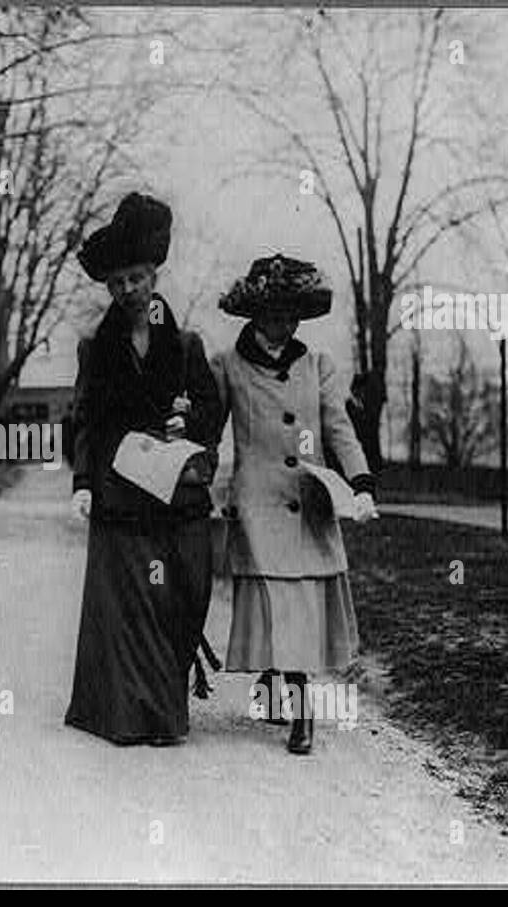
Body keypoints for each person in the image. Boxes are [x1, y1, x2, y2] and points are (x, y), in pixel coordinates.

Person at [66, 192, 225, 746]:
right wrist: (83, 481)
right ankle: (137, 717)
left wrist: (193, 429)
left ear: (154, 276)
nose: (128, 290)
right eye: (117, 283)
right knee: (131, 607)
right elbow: (83, 419)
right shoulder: (96, 349)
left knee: (178, 598)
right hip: (119, 496)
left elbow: (211, 410)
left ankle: (162, 704)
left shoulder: (184, 346)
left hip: (175, 495)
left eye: (136, 278)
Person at [216, 254, 378, 754]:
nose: (283, 325)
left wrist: (361, 483)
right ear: (253, 314)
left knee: (296, 606)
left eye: (292, 316)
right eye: (273, 314)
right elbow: (206, 424)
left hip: (309, 502)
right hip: (259, 503)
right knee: (277, 605)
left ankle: (283, 694)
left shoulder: (318, 367)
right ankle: (298, 708)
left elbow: (338, 429)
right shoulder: (227, 366)